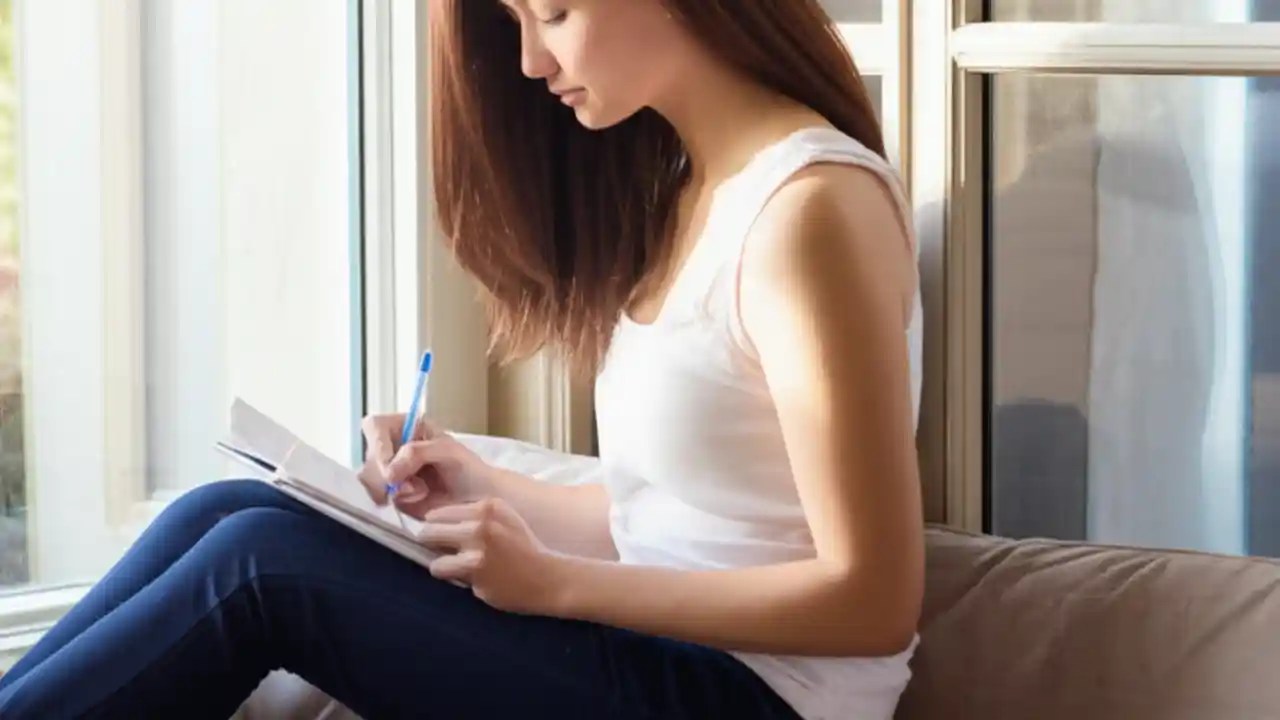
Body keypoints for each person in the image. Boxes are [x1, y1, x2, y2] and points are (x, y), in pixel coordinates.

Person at [0, 0, 925, 717]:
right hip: (665, 653)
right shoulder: (695, 192)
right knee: (231, 507)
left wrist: (558, 586)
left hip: (756, 699)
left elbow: (874, 597)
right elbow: (686, 517)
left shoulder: (808, 216)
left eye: (555, 14)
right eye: (519, 20)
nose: (531, 61)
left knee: (262, 562)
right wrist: (485, 486)